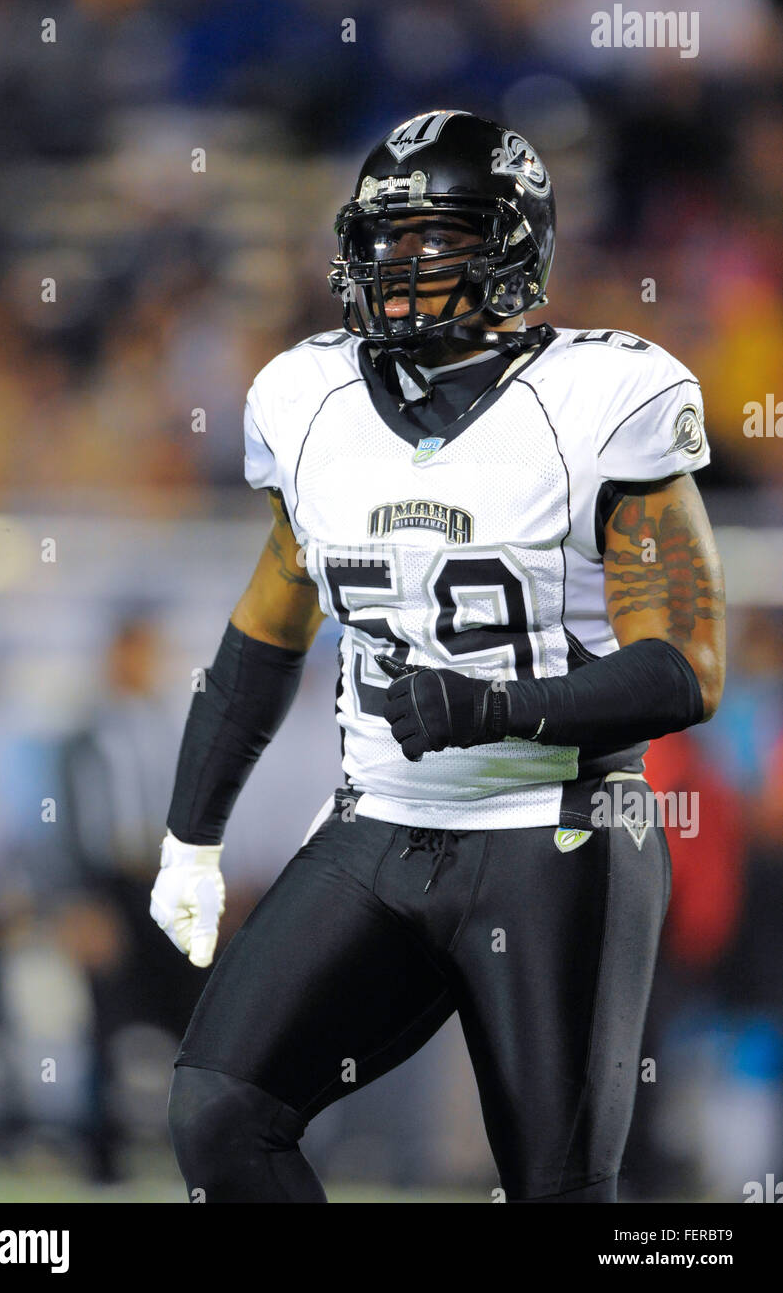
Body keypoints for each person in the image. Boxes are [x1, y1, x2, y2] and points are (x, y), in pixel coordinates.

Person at [149, 111, 726, 1203]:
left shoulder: (603, 401)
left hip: (555, 830)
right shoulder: (305, 397)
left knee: (558, 1194)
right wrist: (192, 835)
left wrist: (495, 708)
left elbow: (685, 669)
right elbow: (268, 625)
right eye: (384, 238)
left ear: (514, 242)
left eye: (435, 235)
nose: (400, 264)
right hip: (379, 826)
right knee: (220, 1112)